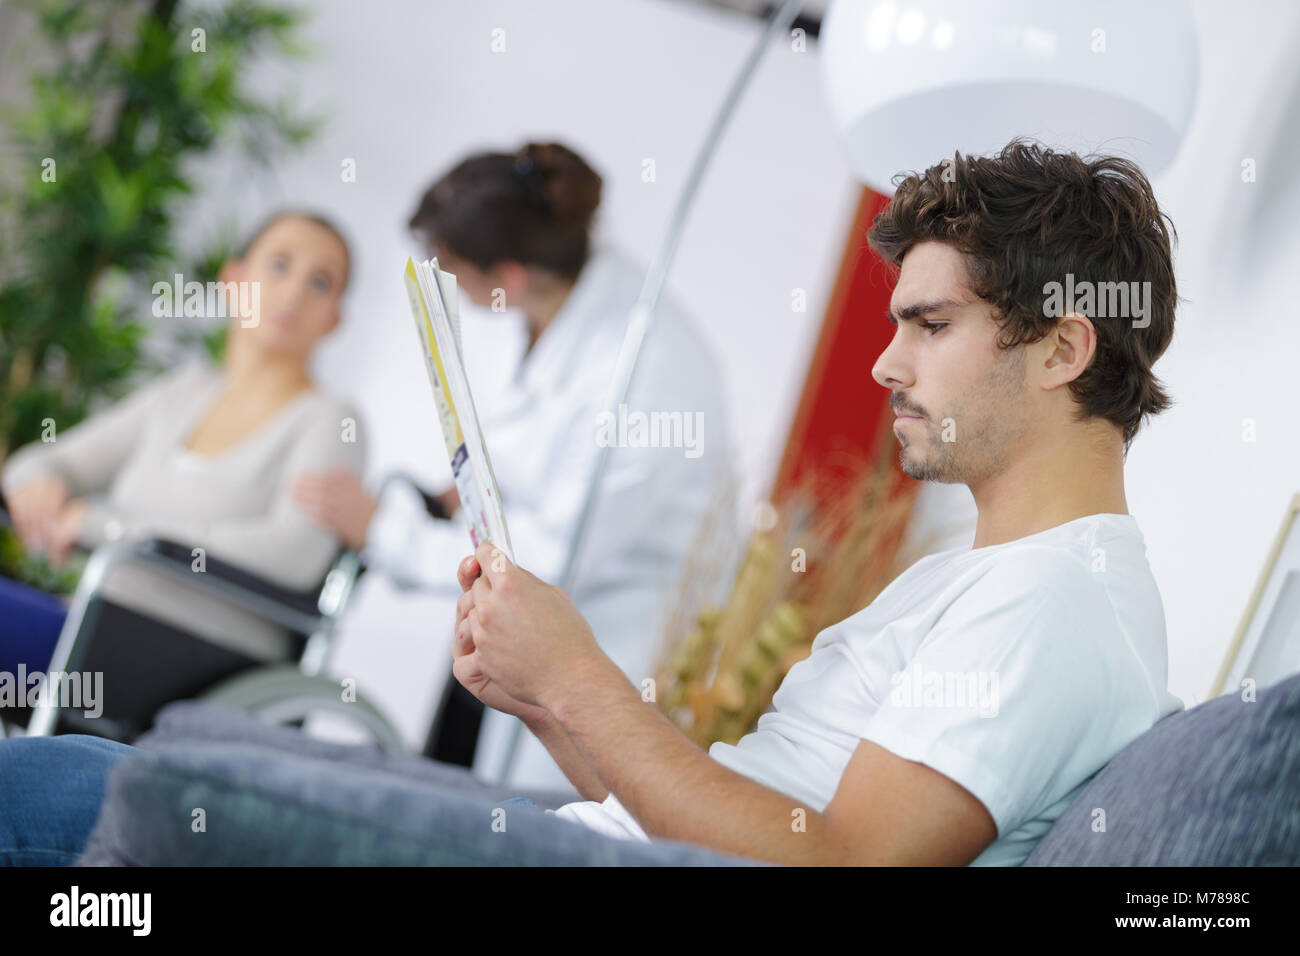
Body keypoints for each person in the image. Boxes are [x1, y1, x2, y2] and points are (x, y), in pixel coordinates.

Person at [0, 139, 1182, 867]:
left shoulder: (1054, 602)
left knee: (66, 796)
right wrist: (546, 700)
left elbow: (844, 862)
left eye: (928, 326)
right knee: (93, 779)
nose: (884, 365)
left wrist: (576, 679)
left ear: (1060, 345)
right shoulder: (984, 576)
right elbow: (749, 806)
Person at [291, 143, 735, 790]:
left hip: (610, 647)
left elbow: (553, 554)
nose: (442, 280)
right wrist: (465, 494)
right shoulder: (558, 310)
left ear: (508, 275)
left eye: (449, 269)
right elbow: (544, 458)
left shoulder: (645, 369)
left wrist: (385, 530)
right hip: (523, 641)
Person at [0, 211, 365, 682]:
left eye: (320, 282)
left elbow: (294, 555)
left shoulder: (331, 420)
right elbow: (45, 460)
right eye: (279, 265)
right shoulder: (182, 392)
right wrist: (37, 482)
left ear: (334, 318)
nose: (294, 292)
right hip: (93, 616)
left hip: (198, 653)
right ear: (234, 281)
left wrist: (104, 527)